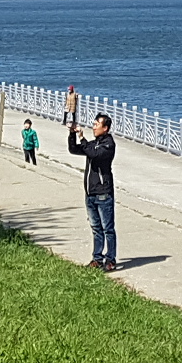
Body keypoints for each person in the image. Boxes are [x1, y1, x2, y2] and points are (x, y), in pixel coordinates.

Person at [68, 112, 118, 270]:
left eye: (97, 125)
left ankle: (110, 260)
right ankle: (97, 258)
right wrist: (72, 134)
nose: (94, 127)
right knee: (96, 228)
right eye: (94, 124)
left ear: (105, 128)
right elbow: (74, 149)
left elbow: (94, 154)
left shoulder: (108, 145)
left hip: (103, 193)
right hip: (90, 194)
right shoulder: (94, 143)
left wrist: (82, 138)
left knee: (107, 229)